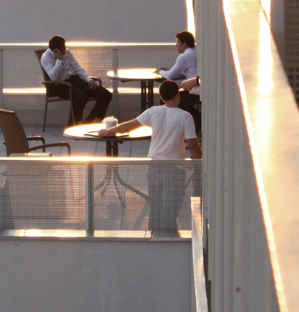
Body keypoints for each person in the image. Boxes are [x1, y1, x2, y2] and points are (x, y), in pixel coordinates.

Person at [98, 80, 201, 235]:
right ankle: (168, 241)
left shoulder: (153, 112)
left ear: (162, 98)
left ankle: (154, 238)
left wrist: (107, 131)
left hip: (153, 166)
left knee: (155, 207)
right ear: (178, 95)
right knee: (170, 210)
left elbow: (128, 126)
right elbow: (193, 146)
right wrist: (201, 164)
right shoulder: (185, 117)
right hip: (174, 169)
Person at [40, 35, 112, 126]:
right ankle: (73, 124)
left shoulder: (67, 52)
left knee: (106, 94)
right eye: (63, 49)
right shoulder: (46, 58)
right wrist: (59, 59)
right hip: (61, 85)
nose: (65, 50)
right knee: (81, 97)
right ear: (55, 50)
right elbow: (54, 78)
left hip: (75, 80)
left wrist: (88, 80)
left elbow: (77, 68)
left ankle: (90, 120)